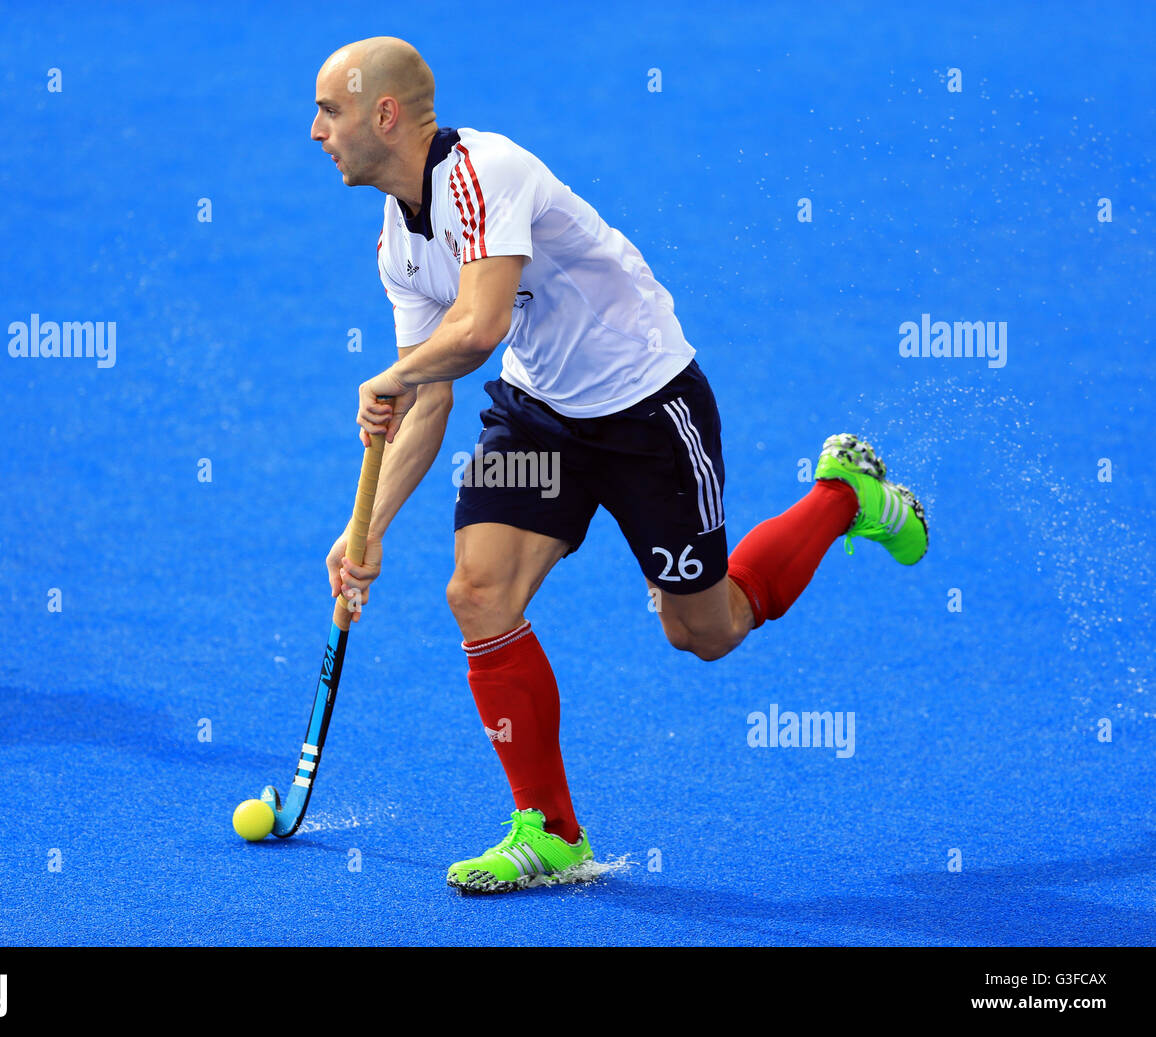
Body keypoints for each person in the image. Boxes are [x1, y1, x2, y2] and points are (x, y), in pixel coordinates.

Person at [311, 36, 928, 894]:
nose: (315, 131)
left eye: (328, 111)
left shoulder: (488, 171)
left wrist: (397, 375)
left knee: (704, 631)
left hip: (647, 409)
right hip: (541, 419)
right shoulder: (398, 244)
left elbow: (481, 326)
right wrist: (365, 530)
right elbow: (430, 398)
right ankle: (552, 833)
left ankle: (842, 494)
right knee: (476, 591)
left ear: (383, 115)